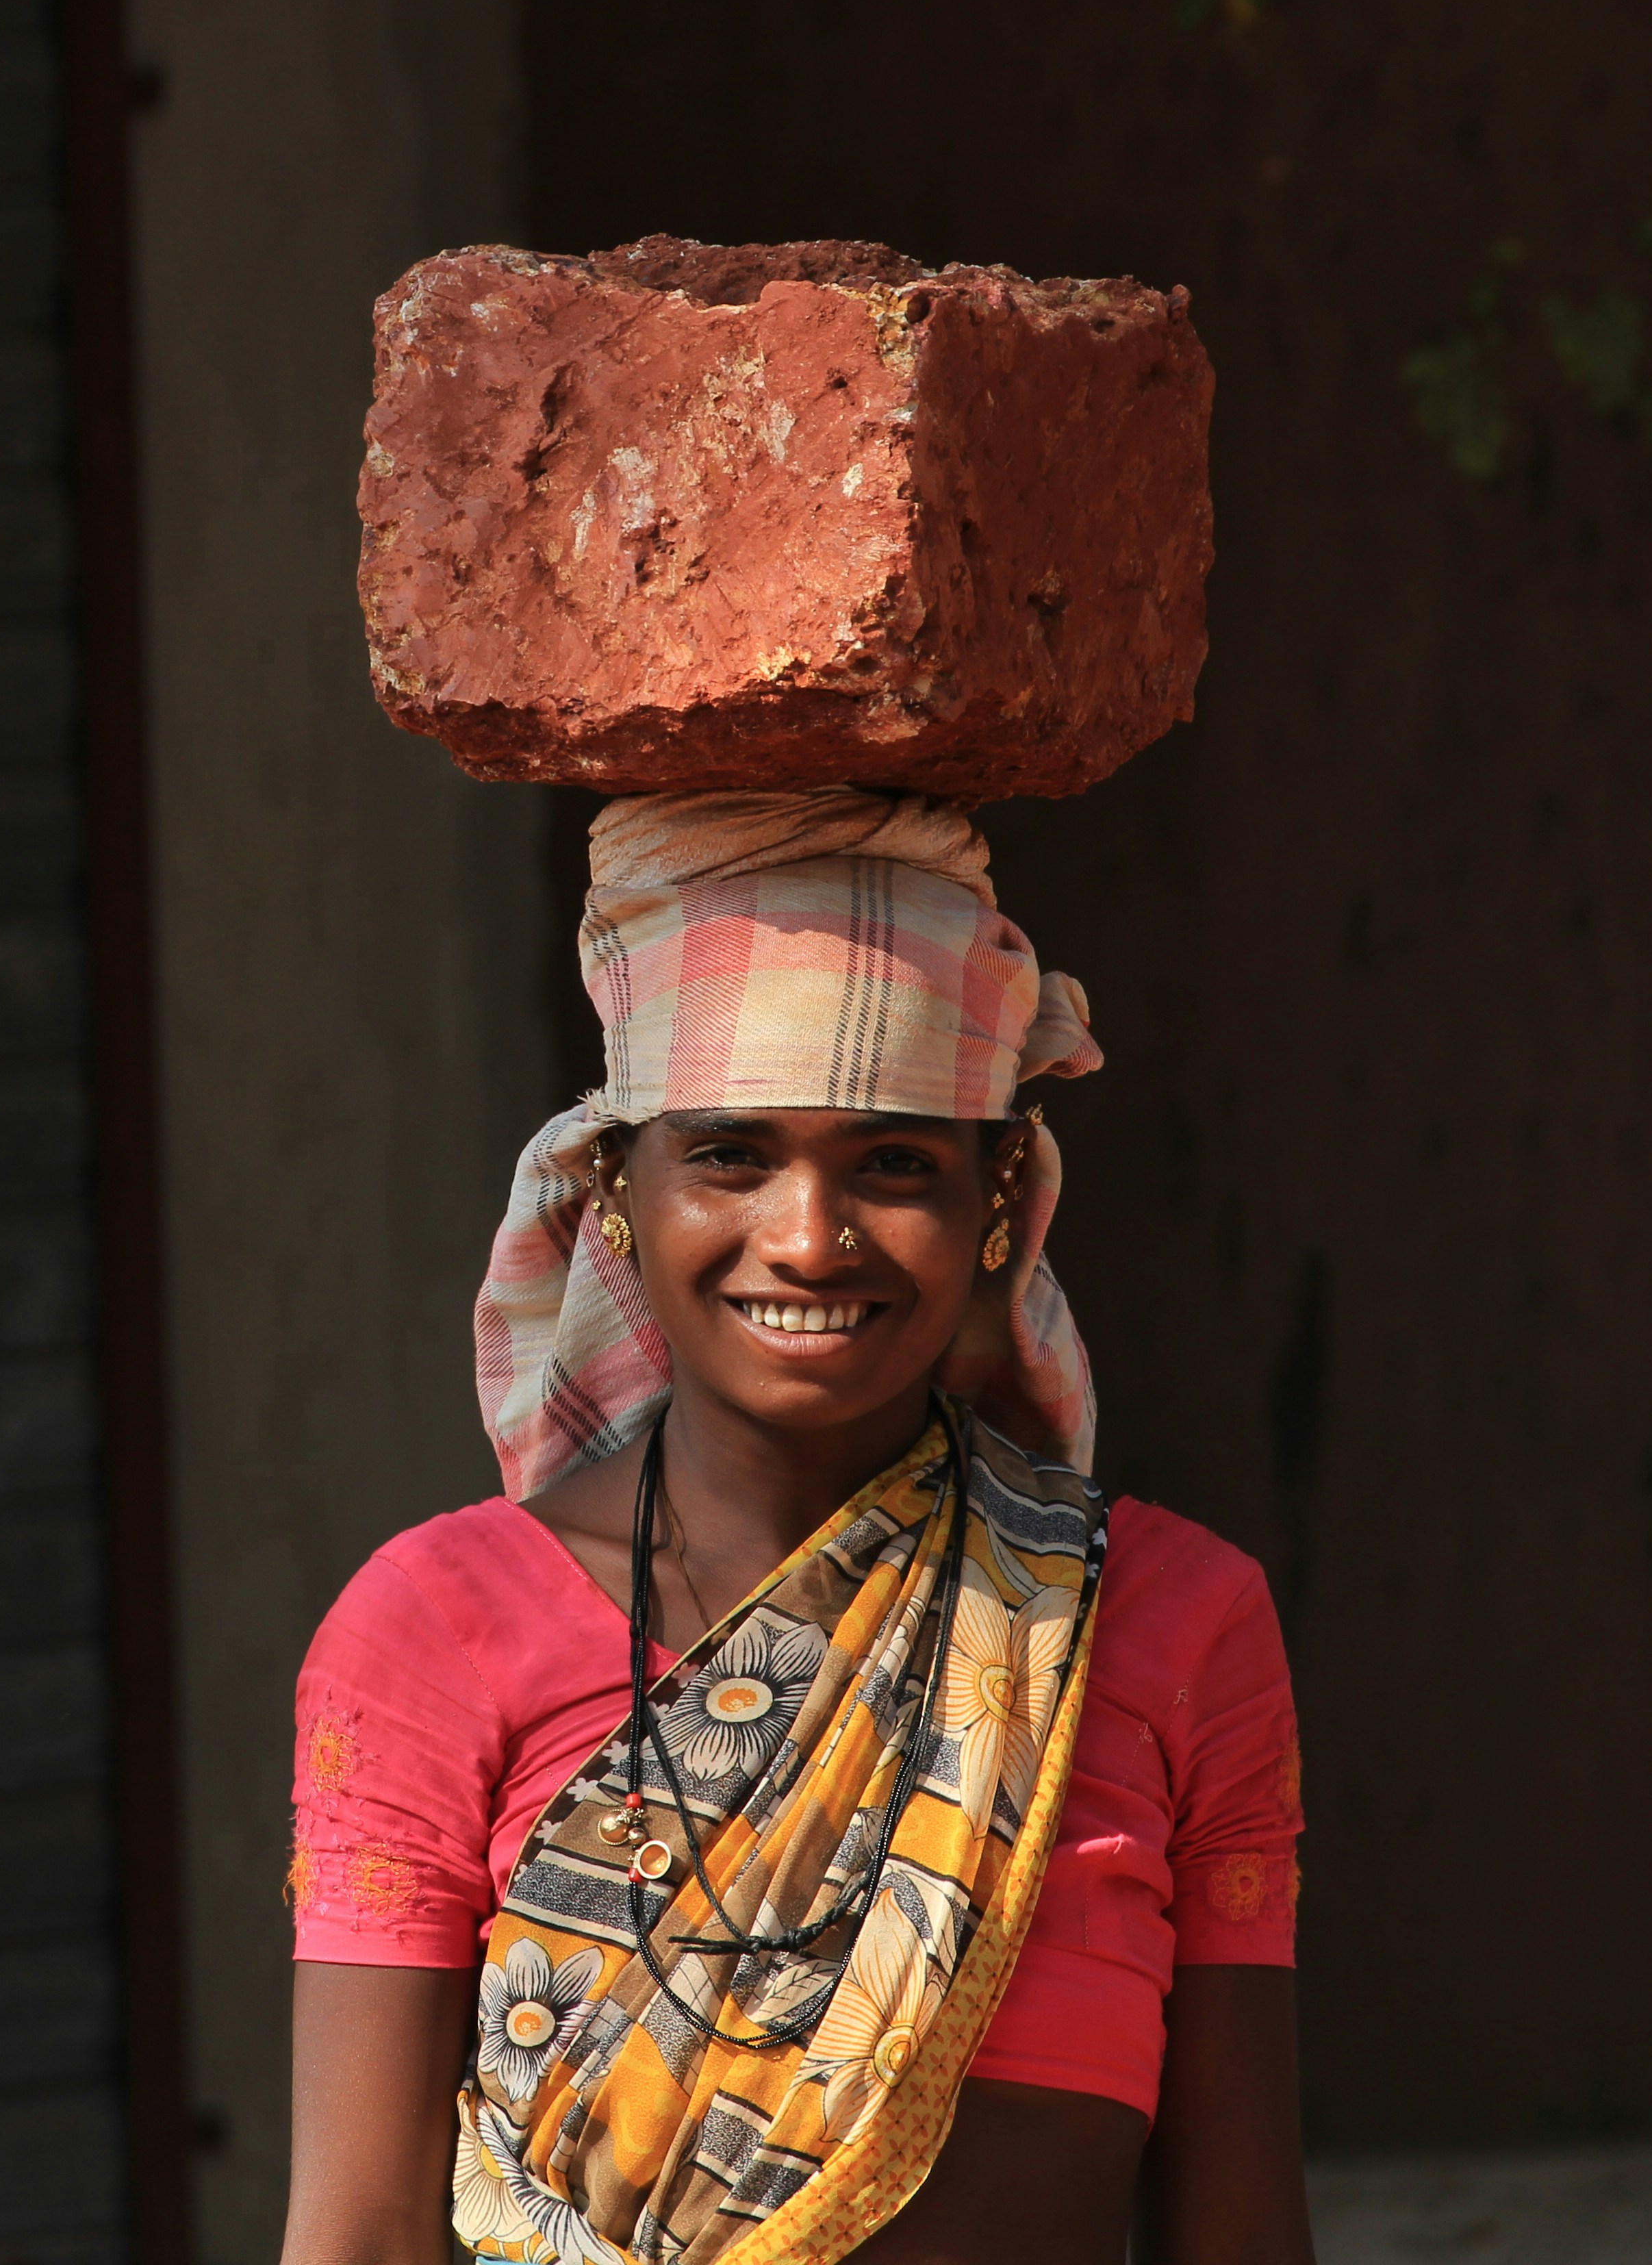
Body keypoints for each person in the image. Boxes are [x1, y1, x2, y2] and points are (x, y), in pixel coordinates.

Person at [281, 792, 1312, 2265]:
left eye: (893, 1162)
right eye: (730, 1156)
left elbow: (1243, 2235)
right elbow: (360, 2240)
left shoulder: (1167, 1622)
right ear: (615, 1191)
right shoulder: (433, 1630)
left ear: (998, 1196)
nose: (811, 1238)